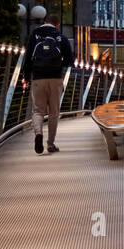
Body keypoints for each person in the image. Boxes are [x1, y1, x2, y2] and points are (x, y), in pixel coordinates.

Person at [22, 13, 74, 154]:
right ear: (57, 25)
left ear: (44, 22)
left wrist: (26, 76)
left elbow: (27, 58)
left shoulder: (35, 35)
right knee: (54, 113)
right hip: (55, 78)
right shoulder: (60, 37)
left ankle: (38, 133)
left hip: (38, 78)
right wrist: (59, 66)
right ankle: (50, 144)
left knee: (38, 111)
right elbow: (70, 60)